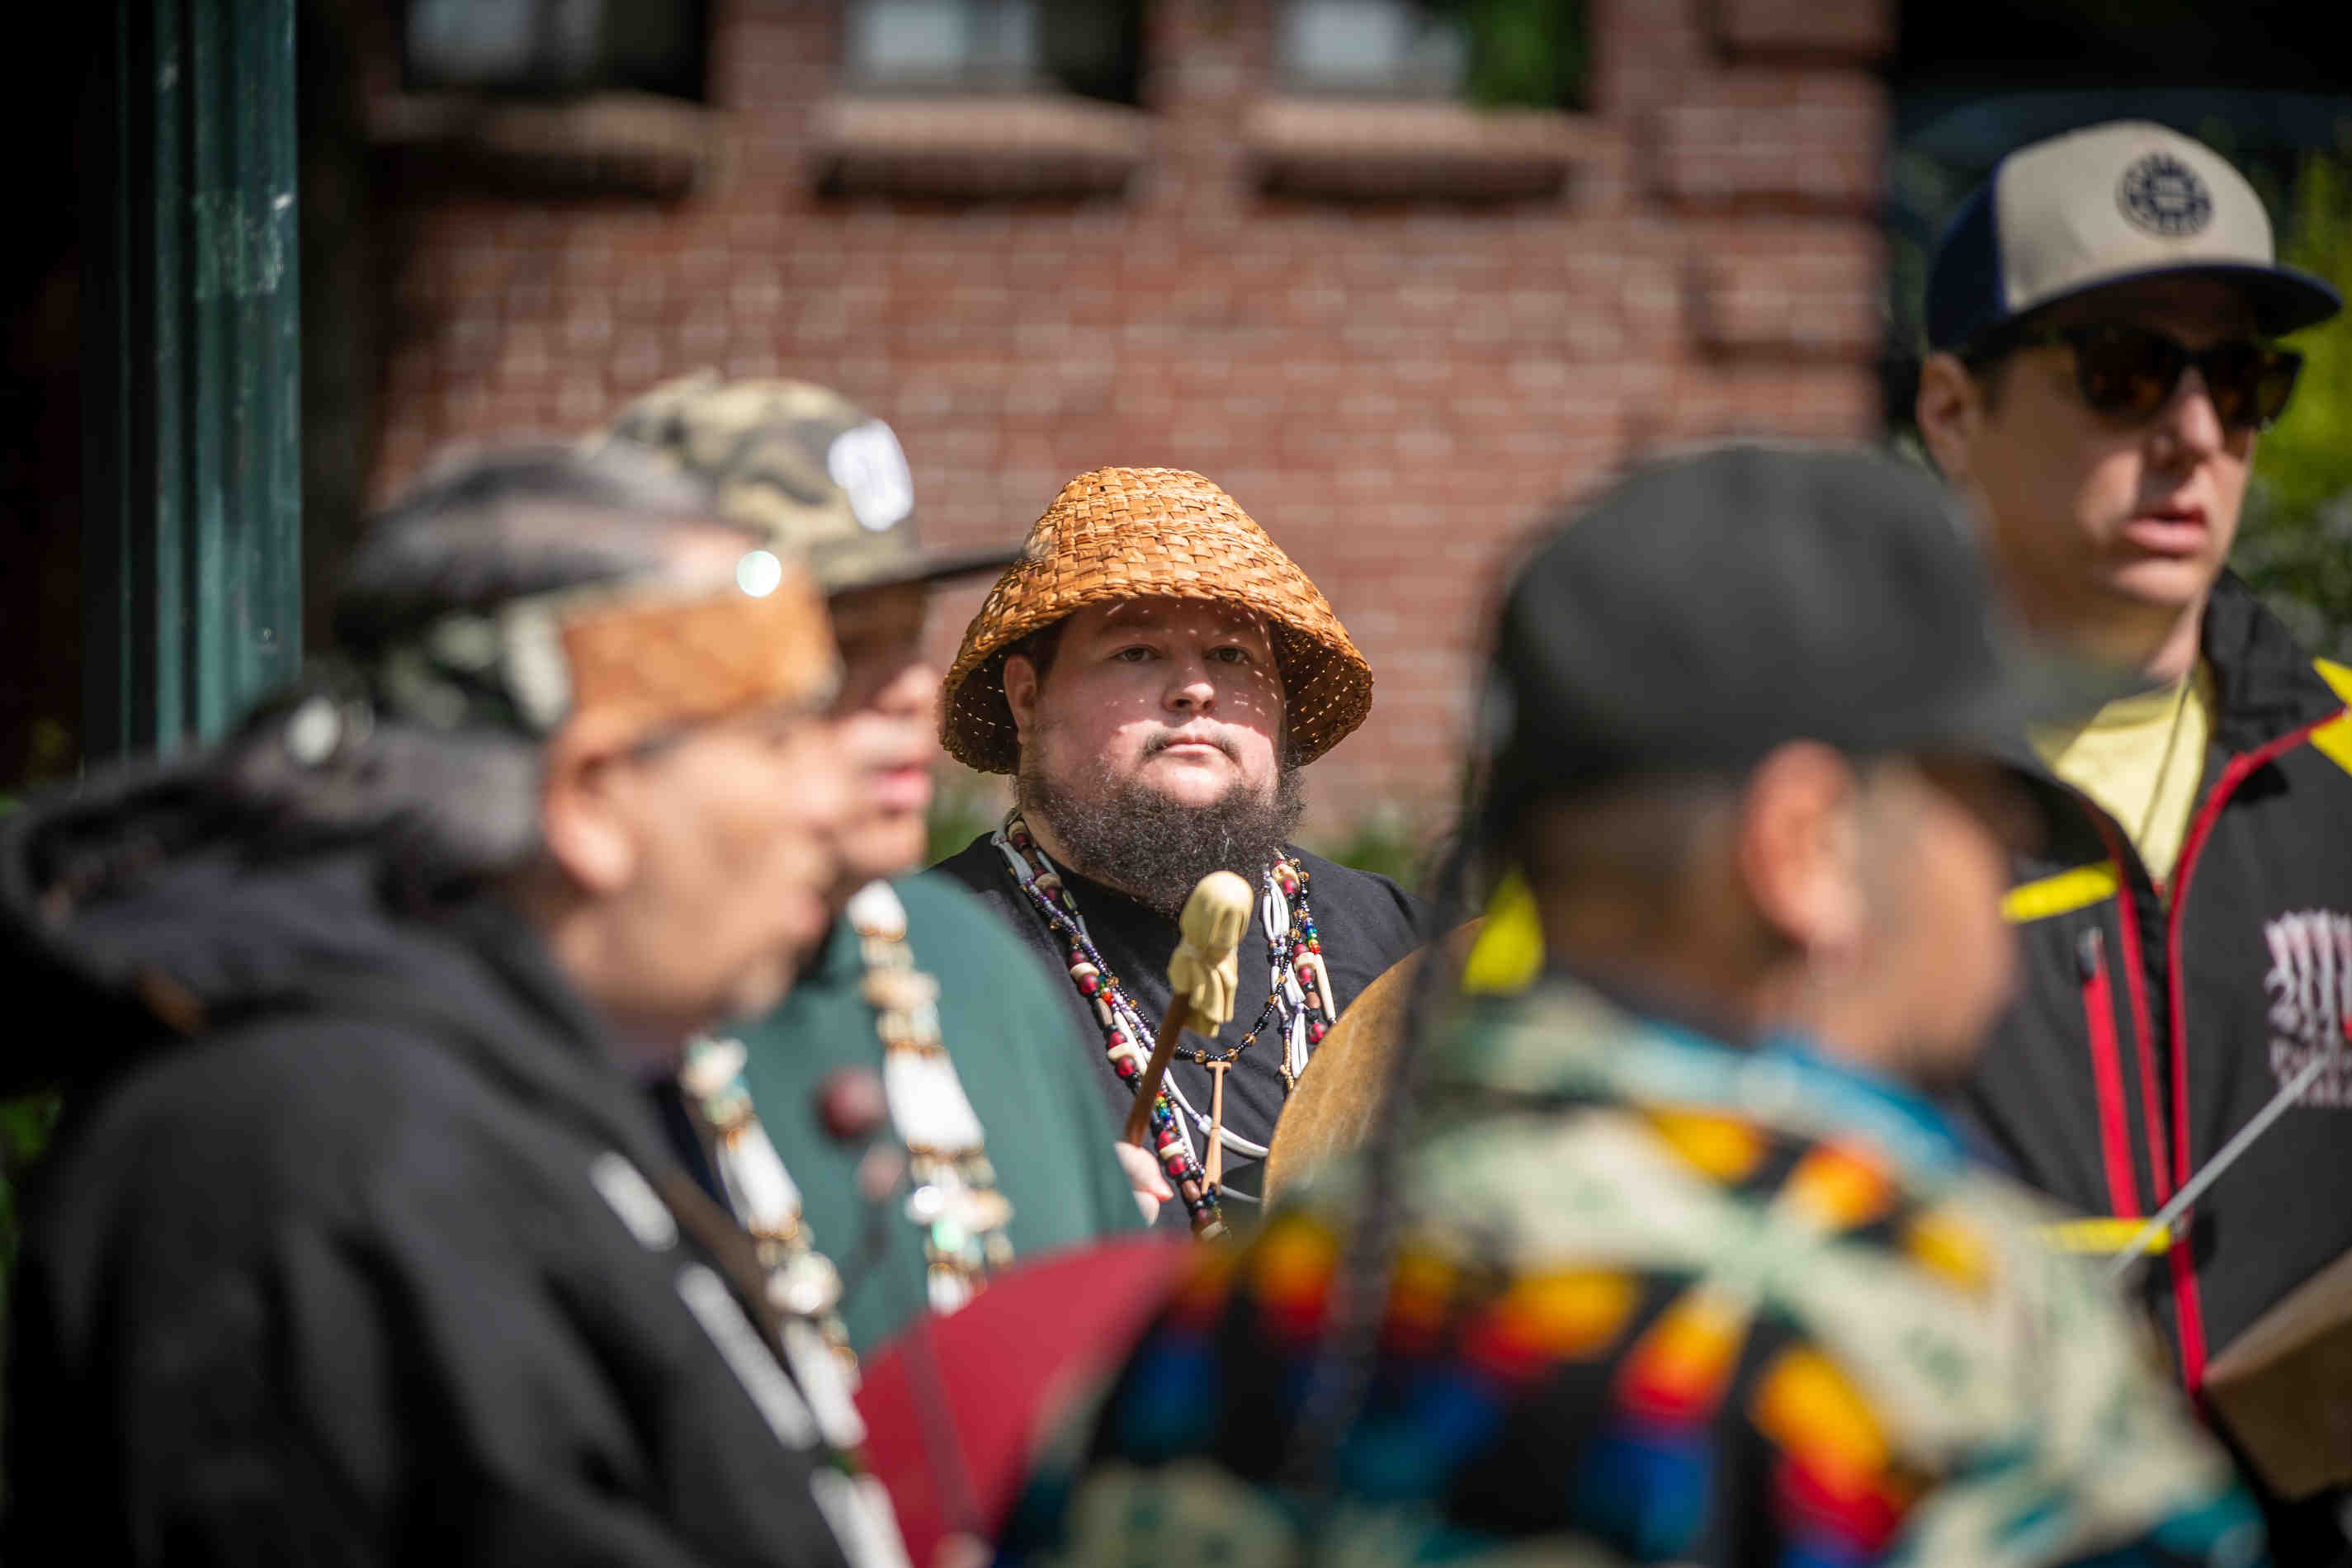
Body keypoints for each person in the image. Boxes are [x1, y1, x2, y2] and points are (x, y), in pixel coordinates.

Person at [995, 446, 2264, 1568]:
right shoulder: (1931, 1321)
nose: (2001, 887)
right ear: (1803, 846)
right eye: (1988, 819)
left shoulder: (1218, 1327)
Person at [0, 449, 904, 1566]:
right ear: (592, 796)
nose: (832, 799)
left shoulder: (478, 1098)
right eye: (777, 740)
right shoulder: (316, 1160)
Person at [1914, 120, 2352, 1551]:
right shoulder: (1815, 799)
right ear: (1951, 410)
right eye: (2122, 370)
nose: (2194, 433)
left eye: (2239, 380)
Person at [600, 375, 1151, 1363]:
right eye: (840, 645)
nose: (906, 692)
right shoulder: (602, 1006)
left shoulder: (968, 961)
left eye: (908, 641)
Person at [931, 466, 1429, 1235]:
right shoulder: (930, 957)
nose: (1195, 689)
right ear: (1028, 698)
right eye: (1136, 651)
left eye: (1233, 656)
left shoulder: (1397, 942)